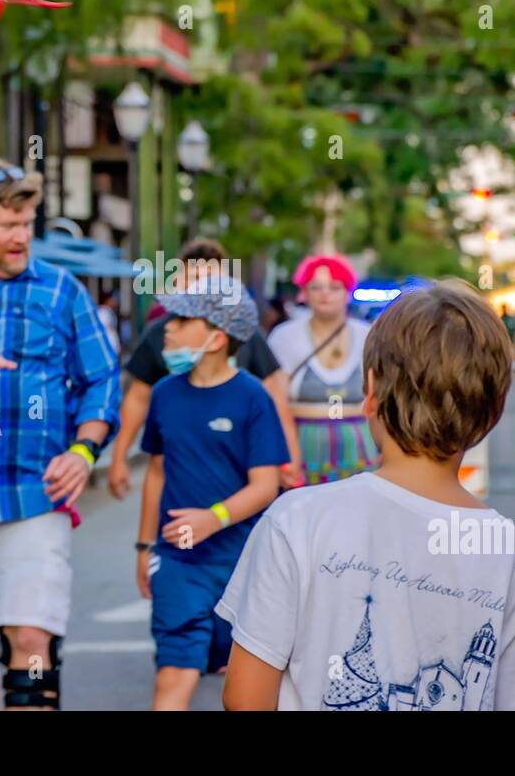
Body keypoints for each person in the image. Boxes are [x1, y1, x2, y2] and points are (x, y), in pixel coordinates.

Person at [216, 280, 515, 711]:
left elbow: (245, 697)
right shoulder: (513, 554)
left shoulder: (295, 519)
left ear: (370, 391)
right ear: (495, 409)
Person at [0, 159, 121, 711]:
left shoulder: (60, 290)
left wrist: (83, 450)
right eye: (8, 224)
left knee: (32, 639)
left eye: (28, 223)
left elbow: (102, 380)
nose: (23, 236)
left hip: (34, 497)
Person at [136, 275, 287, 710]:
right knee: (175, 669)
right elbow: (157, 472)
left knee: (245, 689)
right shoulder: (164, 394)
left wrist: (213, 517)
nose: (167, 325)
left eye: (182, 318)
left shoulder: (253, 397)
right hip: (179, 562)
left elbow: (266, 485)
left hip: (243, 563)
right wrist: (145, 546)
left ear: (217, 337)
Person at [108, 238, 303, 497]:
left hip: (241, 464)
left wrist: (289, 458)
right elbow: (138, 397)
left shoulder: (244, 335)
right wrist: (119, 457)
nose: (201, 286)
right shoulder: (162, 333)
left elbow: (275, 398)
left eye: (210, 278)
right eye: (194, 278)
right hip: (179, 469)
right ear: (178, 280)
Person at [267, 254, 378, 486]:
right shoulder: (285, 337)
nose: (325, 293)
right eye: (316, 287)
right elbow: (277, 402)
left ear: (347, 292)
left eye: (334, 287)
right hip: (302, 448)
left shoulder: (367, 335)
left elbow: (381, 398)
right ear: (304, 292)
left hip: (361, 449)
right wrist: (289, 456)